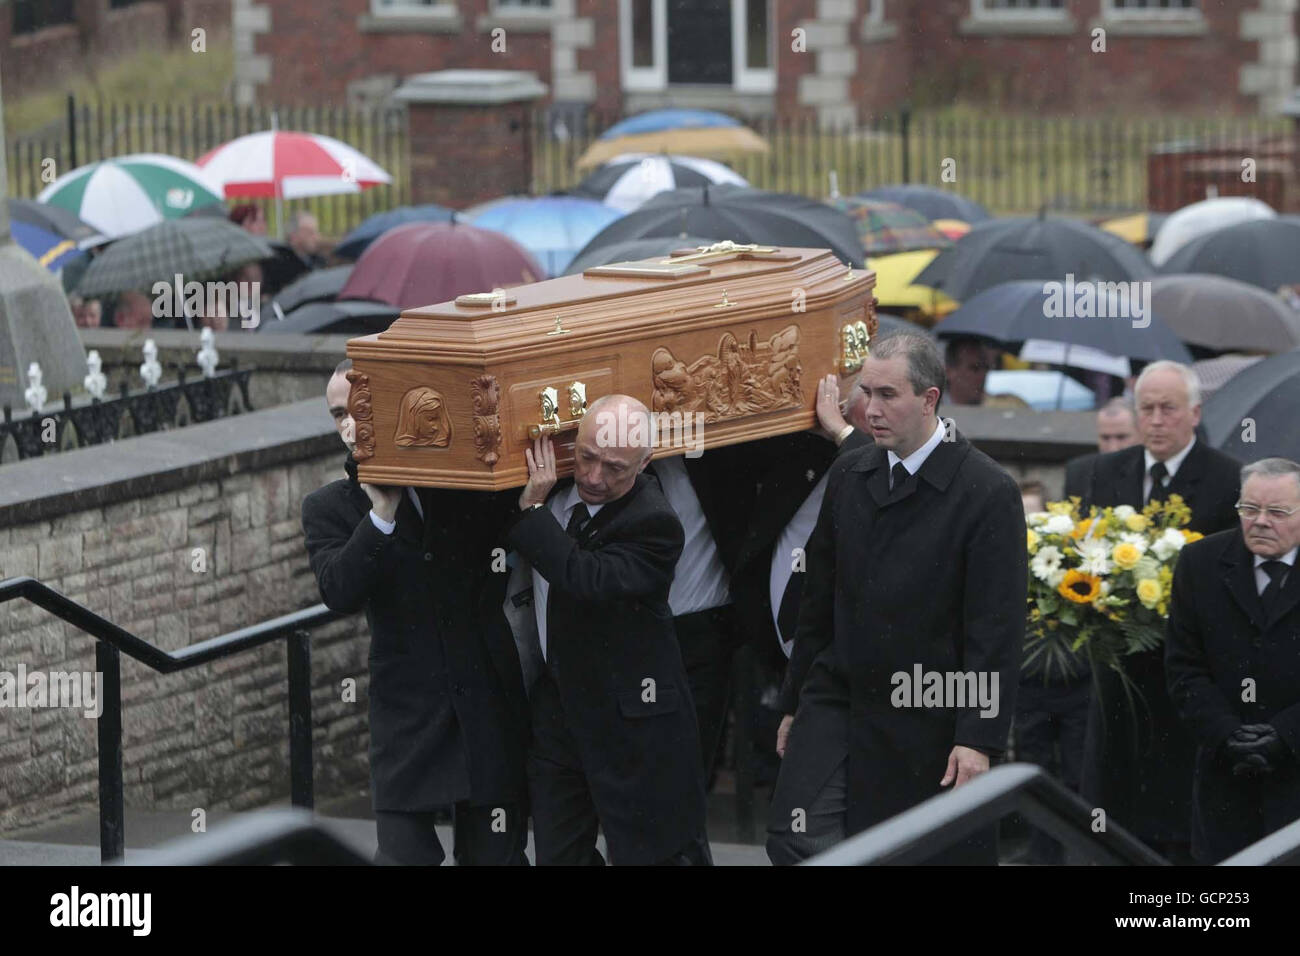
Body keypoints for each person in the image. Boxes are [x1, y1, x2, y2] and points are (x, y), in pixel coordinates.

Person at [767, 331, 1026, 865]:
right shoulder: (850, 471)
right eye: (866, 393)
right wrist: (793, 702)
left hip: (927, 709)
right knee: (795, 837)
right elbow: (818, 598)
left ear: (929, 400)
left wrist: (979, 738)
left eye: (888, 395)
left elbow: (994, 629)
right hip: (839, 697)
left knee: (905, 854)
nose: (870, 408)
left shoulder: (986, 490)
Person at [301, 359, 529, 865]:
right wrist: (380, 515)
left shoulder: (458, 480)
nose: (348, 424)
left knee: (496, 856)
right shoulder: (330, 507)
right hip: (405, 716)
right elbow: (338, 589)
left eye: (359, 408)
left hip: (482, 703)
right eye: (338, 413)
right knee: (403, 857)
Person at [502, 395, 710, 865]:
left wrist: (531, 512)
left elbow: (584, 578)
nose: (594, 478)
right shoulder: (549, 488)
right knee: (558, 854)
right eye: (587, 457)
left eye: (614, 467)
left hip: (633, 722)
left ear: (645, 461)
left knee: (651, 854)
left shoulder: (654, 522)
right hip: (559, 711)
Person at [1079, 359, 1241, 863]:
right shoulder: (1105, 471)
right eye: (1145, 408)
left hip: (1186, 672)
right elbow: (1086, 553)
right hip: (1118, 670)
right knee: (1112, 809)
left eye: (1167, 409)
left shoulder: (1225, 478)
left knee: (1174, 821)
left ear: (1194, 412)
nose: (1154, 420)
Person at [1166, 457, 1300, 862]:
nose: (1260, 521)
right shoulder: (1199, 563)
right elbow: (1183, 667)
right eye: (1249, 509)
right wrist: (1226, 734)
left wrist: (1285, 736)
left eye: (1277, 512)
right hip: (1224, 776)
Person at [1063, 397, 1140, 501]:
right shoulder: (1078, 473)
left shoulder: (1151, 473)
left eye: (1121, 437)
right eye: (1105, 438)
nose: (1113, 447)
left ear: (1140, 434)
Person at [943, 336, 992, 406]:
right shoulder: (932, 412)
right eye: (974, 368)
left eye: (986, 368)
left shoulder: (994, 409)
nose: (983, 375)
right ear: (949, 372)